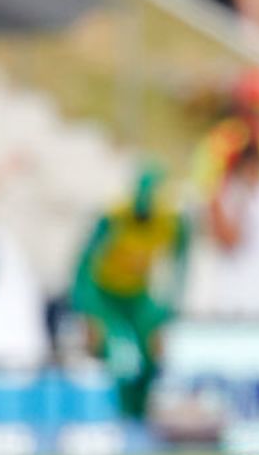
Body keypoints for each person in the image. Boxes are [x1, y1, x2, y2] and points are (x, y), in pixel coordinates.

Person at [69, 167, 189, 419]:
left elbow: (181, 266)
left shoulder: (172, 222)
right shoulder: (114, 217)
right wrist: (88, 310)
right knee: (119, 358)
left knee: (151, 356)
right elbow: (83, 265)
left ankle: (141, 416)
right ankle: (120, 418)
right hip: (105, 296)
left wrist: (165, 311)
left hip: (138, 297)